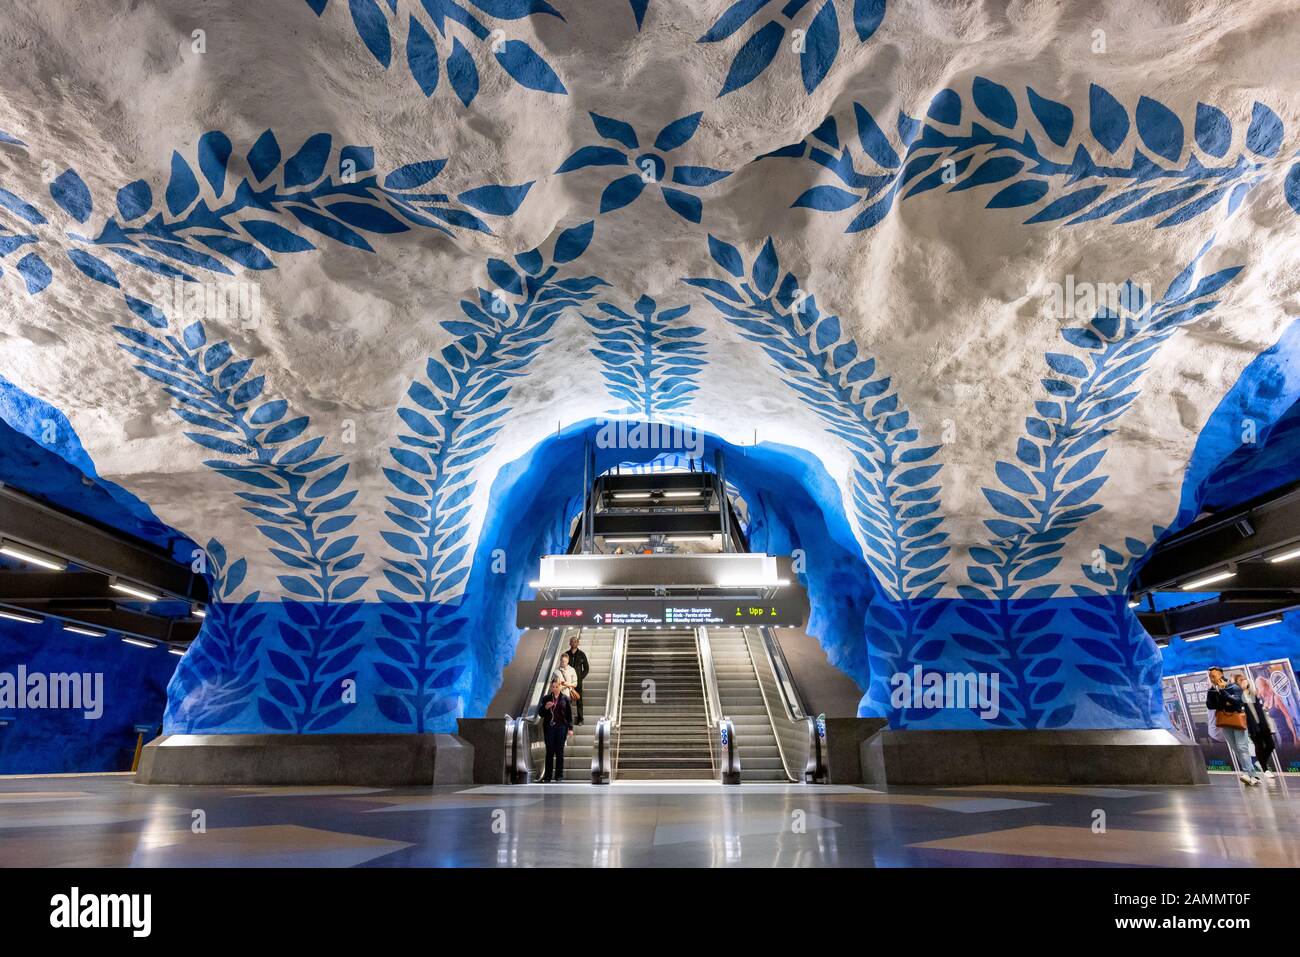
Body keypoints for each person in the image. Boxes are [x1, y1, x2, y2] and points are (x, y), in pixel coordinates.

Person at [1206, 667, 1261, 786]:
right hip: (1225, 722)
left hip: (1237, 720)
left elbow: (1237, 703)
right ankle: (1252, 775)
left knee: (1242, 747)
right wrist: (1211, 691)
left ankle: (1246, 773)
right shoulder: (1213, 690)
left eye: (1214, 676)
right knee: (1236, 748)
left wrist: (1223, 692)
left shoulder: (1233, 687)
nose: (1212, 679)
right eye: (1210, 677)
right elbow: (1211, 706)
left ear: (1221, 675)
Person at [1237, 673, 1278, 777]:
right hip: (1253, 727)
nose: (1244, 682)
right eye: (1242, 681)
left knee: (1271, 745)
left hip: (1263, 724)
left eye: (1245, 680)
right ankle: (1265, 770)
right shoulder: (1240, 697)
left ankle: (1260, 761)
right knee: (1259, 746)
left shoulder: (1253, 694)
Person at [537, 677, 573, 783]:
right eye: (553, 687)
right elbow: (540, 713)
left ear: (560, 687)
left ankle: (559, 776)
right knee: (549, 751)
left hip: (561, 727)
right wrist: (546, 708)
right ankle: (547, 776)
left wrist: (570, 728)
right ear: (550, 687)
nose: (555, 688)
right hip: (549, 727)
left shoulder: (565, 699)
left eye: (557, 686)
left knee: (559, 751)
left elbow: (569, 715)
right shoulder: (546, 698)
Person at [566, 635, 590, 726]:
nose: (573, 643)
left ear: (578, 643)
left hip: (578, 682)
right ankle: (568, 720)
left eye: (575, 641)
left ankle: (580, 719)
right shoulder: (566, 654)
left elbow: (586, 668)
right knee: (568, 701)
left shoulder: (582, 654)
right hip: (568, 682)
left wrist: (580, 678)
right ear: (569, 643)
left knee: (579, 700)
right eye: (572, 641)